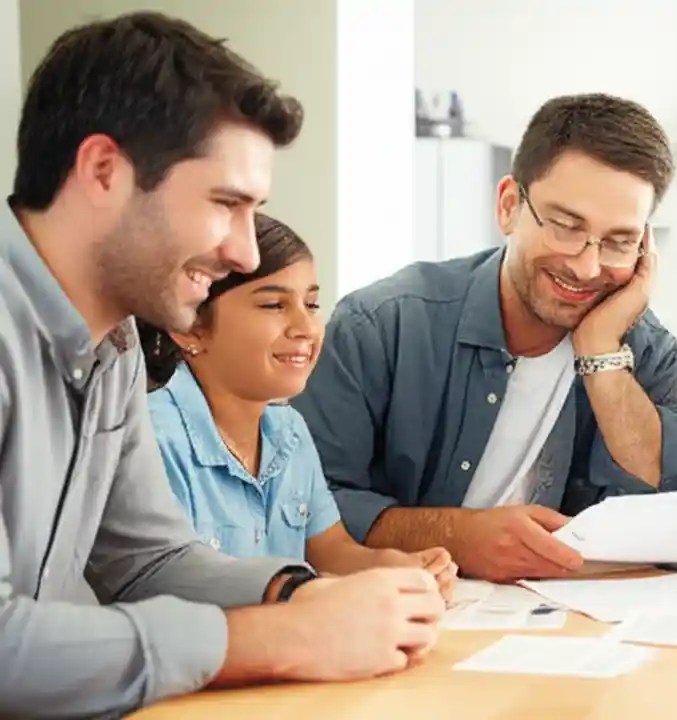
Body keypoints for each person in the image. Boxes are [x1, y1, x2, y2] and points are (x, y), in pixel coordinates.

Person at [0, 12, 443, 718]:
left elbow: (149, 562)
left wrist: (301, 593)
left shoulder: (110, 346)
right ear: (103, 171)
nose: (242, 251)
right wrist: (276, 638)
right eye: (225, 204)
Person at [291, 93, 677, 582]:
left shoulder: (640, 348)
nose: (587, 265)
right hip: (406, 616)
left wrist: (601, 354)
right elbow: (300, 505)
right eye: (564, 226)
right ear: (510, 206)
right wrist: (457, 535)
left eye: (620, 241)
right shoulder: (384, 324)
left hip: (573, 632)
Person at [138, 214, 457, 599]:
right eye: (274, 305)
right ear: (190, 326)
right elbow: (169, 593)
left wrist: (395, 565)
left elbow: (331, 551)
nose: (305, 327)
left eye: (311, 303)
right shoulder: (152, 440)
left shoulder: (289, 429)